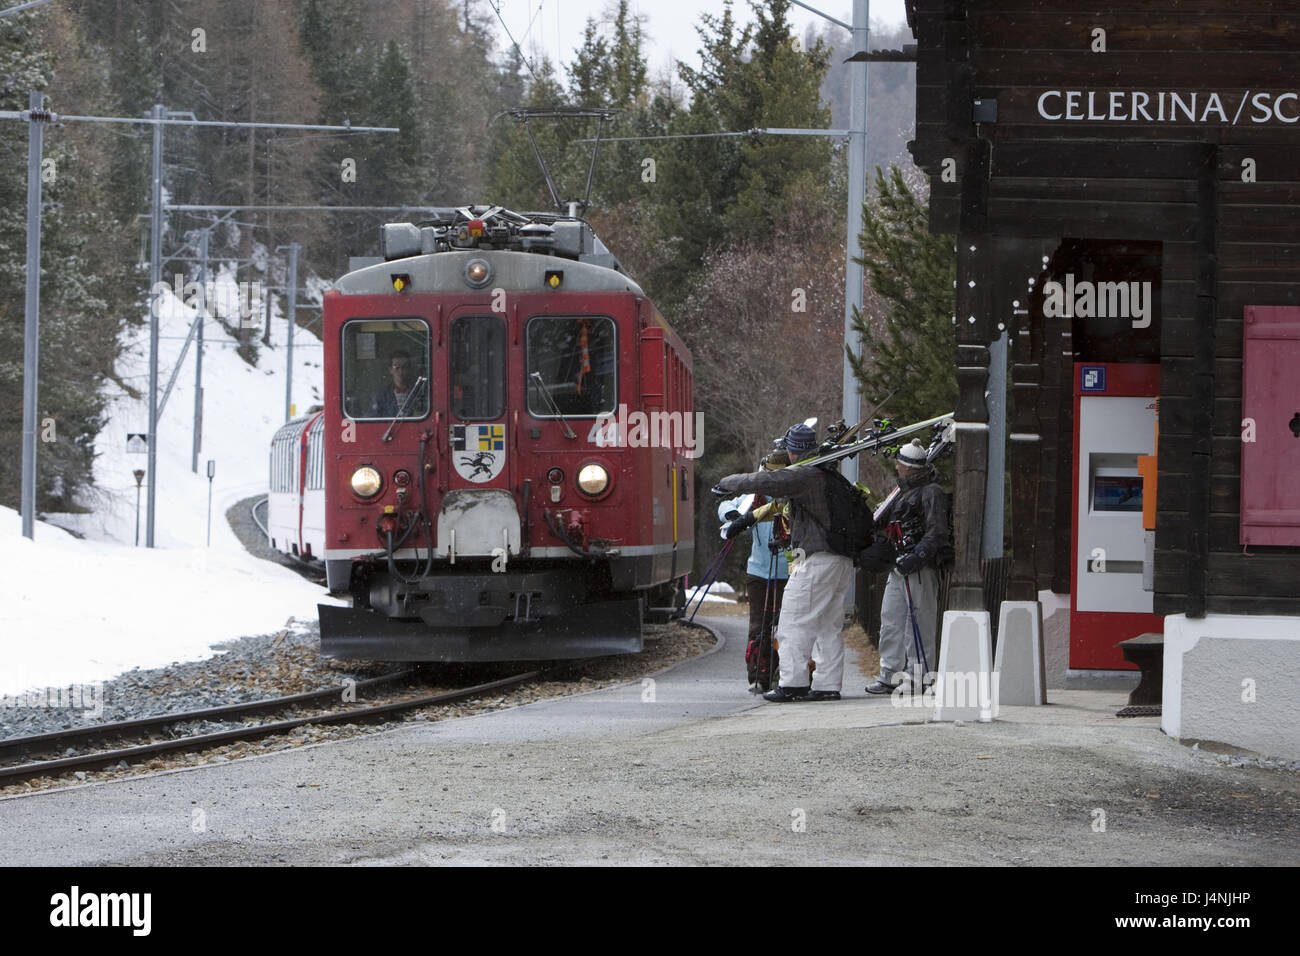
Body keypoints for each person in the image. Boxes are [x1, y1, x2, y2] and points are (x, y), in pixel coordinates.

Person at [715, 422, 855, 702]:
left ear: (793, 452)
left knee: (792, 622)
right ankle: (827, 685)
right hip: (840, 558)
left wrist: (730, 482)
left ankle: (793, 684)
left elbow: (769, 482)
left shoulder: (804, 475)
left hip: (816, 559)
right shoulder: (827, 472)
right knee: (828, 626)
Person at [864, 440, 953, 695]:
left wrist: (917, 556)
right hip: (898, 564)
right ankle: (889, 674)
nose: (896, 466)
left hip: (919, 568)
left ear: (908, 468)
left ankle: (919, 677)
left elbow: (937, 532)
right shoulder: (901, 493)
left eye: (899, 463)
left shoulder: (931, 492)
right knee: (890, 620)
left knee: (920, 621)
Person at [718, 457, 792, 692]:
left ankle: (784, 674)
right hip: (759, 572)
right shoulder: (755, 498)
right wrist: (734, 517)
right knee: (758, 626)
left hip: (788, 572)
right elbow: (725, 506)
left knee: (784, 626)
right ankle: (758, 676)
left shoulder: (794, 497)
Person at [369, 350, 422, 417]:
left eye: (404, 367)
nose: (401, 371)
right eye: (397, 367)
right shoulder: (380, 396)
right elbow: (371, 418)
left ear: (409, 369)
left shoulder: (418, 393)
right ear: (390, 370)